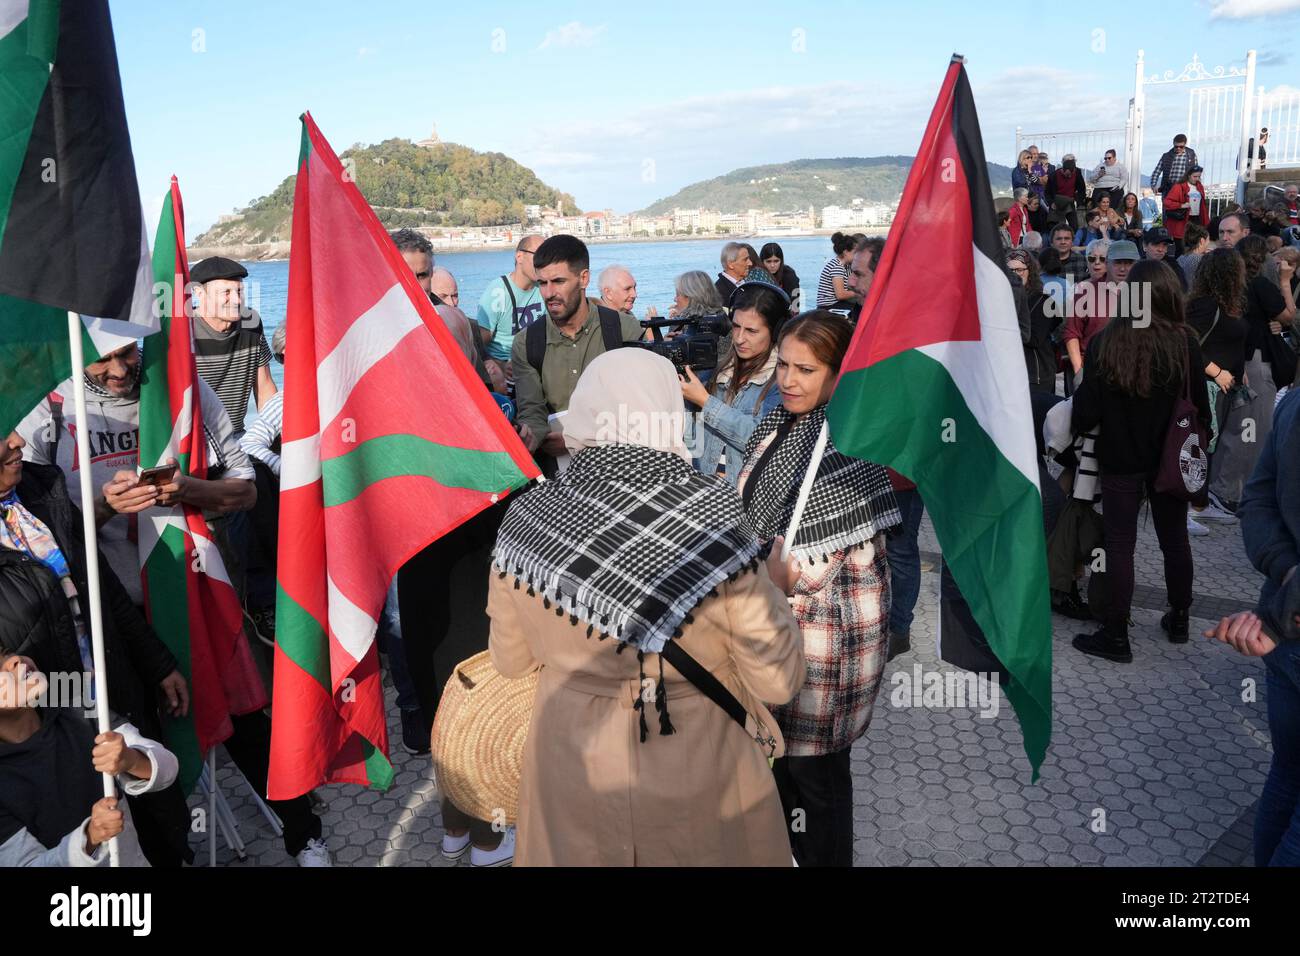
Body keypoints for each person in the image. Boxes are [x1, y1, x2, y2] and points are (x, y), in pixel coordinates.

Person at [488, 348, 806, 866]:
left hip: (572, 768)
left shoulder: (528, 519)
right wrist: (775, 586)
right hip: (702, 774)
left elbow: (510, 661)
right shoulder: (720, 515)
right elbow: (778, 678)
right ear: (666, 413)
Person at [17, 347, 331, 866]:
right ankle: (176, 853)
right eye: (101, 363)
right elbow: (41, 538)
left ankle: (303, 833)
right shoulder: (48, 408)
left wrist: (191, 489)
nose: (118, 372)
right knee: (145, 749)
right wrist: (103, 508)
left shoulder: (183, 389)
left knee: (248, 723)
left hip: (195, 595)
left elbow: (246, 492)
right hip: (114, 621)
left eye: (127, 356)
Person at [737, 311, 901, 866]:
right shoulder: (775, 422)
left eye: (806, 369)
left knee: (819, 783)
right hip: (775, 638)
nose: (788, 379)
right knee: (778, 772)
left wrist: (767, 574)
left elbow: (811, 567)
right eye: (783, 364)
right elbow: (748, 501)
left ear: (838, 375)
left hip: (828, 652)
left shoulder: (850, 440)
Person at [0, 431, 191, 867]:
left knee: (160, 817)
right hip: (47, 707)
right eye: (1, 431)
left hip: (107, 688)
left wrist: (156, 662)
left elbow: (101, 586)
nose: (17, 441)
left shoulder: (42, 486)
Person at [1071, 261, 1211, 662]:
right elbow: (1201, 409)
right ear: (1171, 294)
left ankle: (1116, 635)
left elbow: (1085, 413)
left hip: (1120, 458)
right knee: (1175, 540)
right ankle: (1180, 617)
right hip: (1171, 458)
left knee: (1120, 545)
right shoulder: (1186, 342)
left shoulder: (1107, 341)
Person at [1209, 388, 1300, 865]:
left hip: (1281, 629)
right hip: (1284, 628)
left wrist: (1287, 576)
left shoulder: (1293, 402)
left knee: (1286, 777)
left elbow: (1257, 501)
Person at [0, 652, 178, 867]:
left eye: (6, 651)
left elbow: (168, 767)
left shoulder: (81, 710)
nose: (14, 660)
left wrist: (131, 760)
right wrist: (90, 837)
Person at [510, 234, 643, 460]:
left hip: (619, 465)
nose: (549, 293)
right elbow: (531, 410)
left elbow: (641, 406)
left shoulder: (623, 330)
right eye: (542, 283)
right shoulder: (526, 343)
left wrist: (579, 437)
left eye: (559, 281)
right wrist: (529, 437)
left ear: (584, 279)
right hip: (559, 475)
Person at [680, 282, 787, 484]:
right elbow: (689, 436)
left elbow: (760, 440)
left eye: (751, 331)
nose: (739, 338)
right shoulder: (718, 370)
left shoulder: (781, 382)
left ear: (775, 332)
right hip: (704, 488)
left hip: (743, 499)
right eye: (736, 327)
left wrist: (705, 401)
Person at [1185, 248, 1250, 529]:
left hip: (1223, 387)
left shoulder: (1229, 304)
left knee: (1208, 445)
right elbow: (1187, 344)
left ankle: (1200, 503)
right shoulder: (1206, 304)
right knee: (1197, 446)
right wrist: (1218, 371)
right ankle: (1187, 508)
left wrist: (1239, 371)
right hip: (1206, 386)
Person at [188, 256, 277, 439]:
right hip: (194, 441)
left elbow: (265, 386)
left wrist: (276, 435)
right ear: (199, 293)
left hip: (237, 437)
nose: (237, 300)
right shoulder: (182, 331)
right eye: (226, 292)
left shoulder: (251, 323)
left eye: (239, 290)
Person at [1063, 239, 1134, 382]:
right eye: (1118, 262)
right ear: (1109, 263)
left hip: (1128, 371)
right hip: (1092, 370)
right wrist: (1079, 371)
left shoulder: (1141, 293)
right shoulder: (1084, 291)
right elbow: (1071, 333)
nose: (1123, 268)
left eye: (1128, 263)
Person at [475, 233, 545, 375]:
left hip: (532, 362)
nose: (543, 262)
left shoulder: (545, 289)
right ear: (519, 257)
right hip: (504, 366)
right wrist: (498, 366)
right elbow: (479, 343)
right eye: (538, 256)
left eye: (547, 257)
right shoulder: (498, 292)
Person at [1009, 250, 1057, 393]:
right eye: (1009, 270)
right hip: (1008, 375)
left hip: (1036, 376)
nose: (1014, 274)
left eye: (1019, 270)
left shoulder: (1043, 301)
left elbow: (1034, 338)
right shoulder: (996, 300)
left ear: (1030, 272)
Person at [1162, 166, 1209, 256]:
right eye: (1195, 176)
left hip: (1196, 219)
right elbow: (1167, 202)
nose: (1197, 179)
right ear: (1188, 175)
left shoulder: (1200, 186)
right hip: (1182, 220)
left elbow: (1202, 205)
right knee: (1181, 249)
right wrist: (1181, 205)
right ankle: (1178, 268)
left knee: (1195, 247)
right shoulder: (1179, 187)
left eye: (1199, 177)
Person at [815, 232, 860, 308]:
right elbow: (840, 295)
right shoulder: (837, 267)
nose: (857, 255)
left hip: (838, 304)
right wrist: (861, 292)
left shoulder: (847, 266)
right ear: (846, 252)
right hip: (829, 307)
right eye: (855, 252)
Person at [1045, 154, 1087, 230]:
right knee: (1054, 227)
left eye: (1070, 175)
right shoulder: (1054, 175)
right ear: (1062, 170)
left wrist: (1078, 201)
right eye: (1067, 175)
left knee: (1074, 226)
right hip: (1057, 202)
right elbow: (1047, 192)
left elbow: (1082, 189)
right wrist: (1051, 203)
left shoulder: (1077, 173)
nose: (1069, 177)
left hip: (1070, 202)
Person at [760, 242, 801, 312]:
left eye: (776, 261)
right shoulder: (758, 275)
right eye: (768, 261)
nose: (772, 265)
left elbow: (795, 303)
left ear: (781, 261)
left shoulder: (790, 274)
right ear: (762, 261)